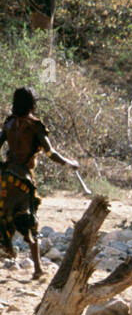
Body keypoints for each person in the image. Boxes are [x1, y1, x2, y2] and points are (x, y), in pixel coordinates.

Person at [0, 87, 79, 279]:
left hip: (6, 177)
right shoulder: (35, 126)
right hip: (23, 180)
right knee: (29, 220)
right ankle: (37, 269)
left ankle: (8, 246)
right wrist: (70, 163)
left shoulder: (9, 124)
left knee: (4, 213)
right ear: (32, 104)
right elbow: (51, 153)